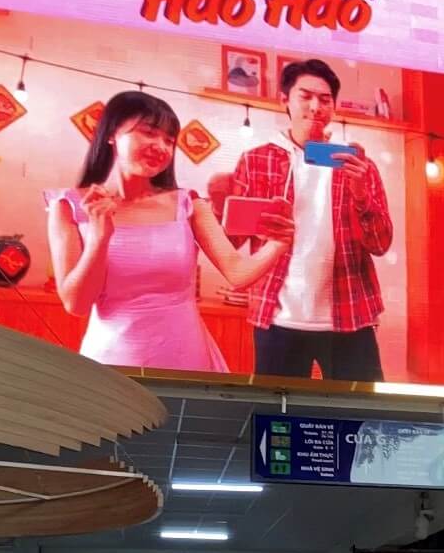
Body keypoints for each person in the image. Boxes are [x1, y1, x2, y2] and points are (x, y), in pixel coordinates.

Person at [47, 90, 294, 370]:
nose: (161, 147)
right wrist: (100, 239)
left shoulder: (189, 204)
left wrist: (278, 243)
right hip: (112, 362)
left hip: (186, 358)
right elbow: (77, 304)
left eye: (169, 140)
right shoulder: (69, 207)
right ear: (112, 133)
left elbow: (237, 273)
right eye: (148, 133)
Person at [209, 59, 393, 381]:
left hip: (350, 315)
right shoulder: (256, 160)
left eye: (324, 99)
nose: (315, 107)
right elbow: (232, 243)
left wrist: (362, 193)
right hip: (278, 317)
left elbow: (380, 244)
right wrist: (220, 203)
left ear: (333, 107)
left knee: (363, 416)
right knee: (278, 416)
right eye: (305, 96)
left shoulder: (358, 166)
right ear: (286, 101)